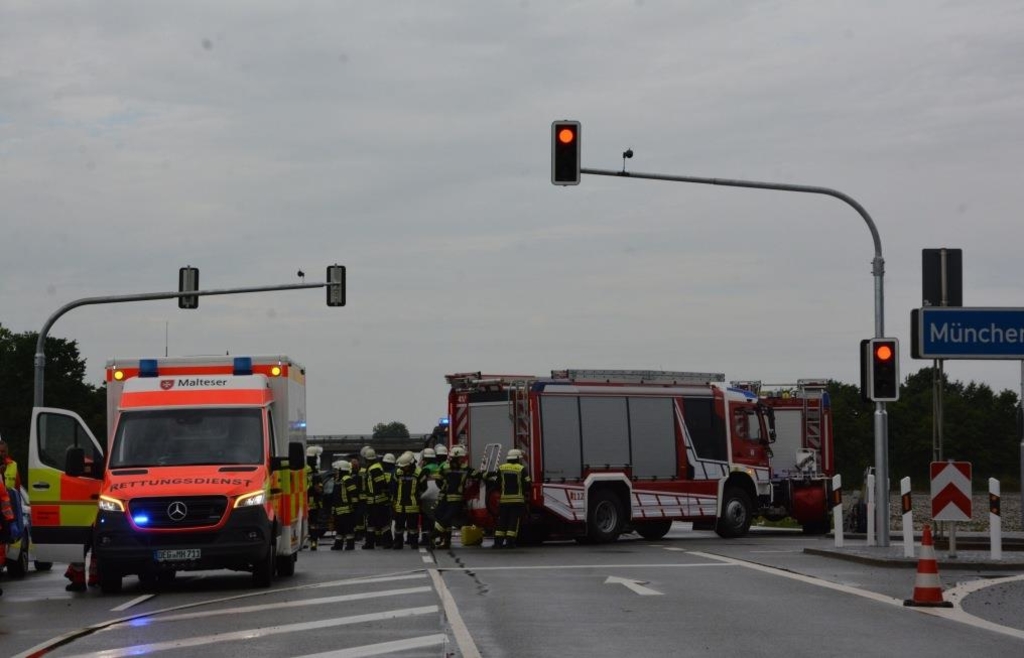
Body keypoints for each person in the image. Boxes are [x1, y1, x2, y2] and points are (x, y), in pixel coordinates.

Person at [431, 445, 483, 549]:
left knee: (445, 519)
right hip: (451, 498)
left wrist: (445, 488)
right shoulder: (464, 468)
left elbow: (438, 481)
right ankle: (441, 540)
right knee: (443, 519)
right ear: (458, 458)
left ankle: (438, 538)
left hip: (448, 498)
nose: (462, 460)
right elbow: (477, 475)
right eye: (461, 458)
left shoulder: (444, 467)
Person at [487, 449, 532, 549]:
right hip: (517, 500)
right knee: (513, 521)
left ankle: (498, 543)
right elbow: (528, 484)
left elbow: (497, 484)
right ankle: (510, 543)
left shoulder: (501, 468)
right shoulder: (521, 469)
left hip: (504, 500)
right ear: (517, 459)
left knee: (502, 521)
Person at [390, 452, 426, 549]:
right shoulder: (398, 472)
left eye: (405, 466)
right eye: (402, 467)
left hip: (413, 505)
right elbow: (393, 487)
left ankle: (413, 542)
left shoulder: (419, 473)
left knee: (413, 527)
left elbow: (424, 488)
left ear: (411, 464)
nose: (403, 468)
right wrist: (393, 501)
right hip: (399, 504)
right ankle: (398, 542)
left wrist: (418, 498)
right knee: (398, 526)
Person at [361, 448, 390, 549]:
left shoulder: (375, 468)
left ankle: (386, 542)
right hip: (373, 501)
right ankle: (370, 543)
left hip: (378, 501)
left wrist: (376, 495)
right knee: (371, 523)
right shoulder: (372, 467)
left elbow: (381, 484)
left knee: (382, 522)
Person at [330, 460, 359, 550]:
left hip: (346, 509)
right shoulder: (338, 480)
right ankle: (338, 545)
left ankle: (350, 545)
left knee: (348, 528)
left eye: (337, 470)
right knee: (339, 529)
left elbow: (354, 492)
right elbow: (335, 496)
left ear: (342, 470)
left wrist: (354, 506)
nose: (336, 472)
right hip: (339, 509)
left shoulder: (346, 478)